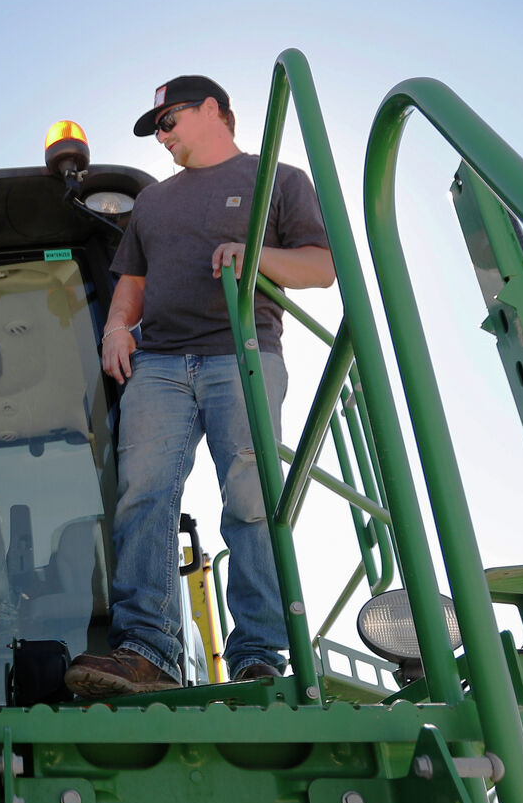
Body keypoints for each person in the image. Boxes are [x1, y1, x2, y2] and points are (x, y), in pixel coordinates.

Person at [65, 76, 335, 697]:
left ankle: (258, 654)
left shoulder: (278, 180)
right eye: (155, 129)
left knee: (250, 501)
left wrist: (255, 254)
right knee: (142, 497)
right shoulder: (155, 202)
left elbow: (321, 267)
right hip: (158, 364)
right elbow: (131, 277)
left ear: (213, 110)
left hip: (241, 355)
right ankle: (147, 649)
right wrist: (115, 328)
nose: (161, 137)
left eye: (168, 122)